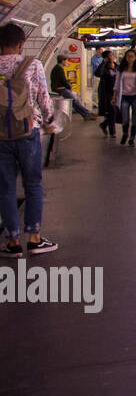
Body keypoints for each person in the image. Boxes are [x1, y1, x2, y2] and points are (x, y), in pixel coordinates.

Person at [0, 22, 58, 257]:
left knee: (5, 189)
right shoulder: (32, 65)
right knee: (32, 185)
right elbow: (43, 98)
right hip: (28, 130)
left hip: (1, 135)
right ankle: (34, 238)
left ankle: (12, 243)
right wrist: (49, 121)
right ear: (21, 44)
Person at [113, 48, 136, 146]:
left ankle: (132, 138)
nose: (130, 58)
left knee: (135, 119)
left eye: (132, 56)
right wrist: (114, 97)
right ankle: (125, 134)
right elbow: (116, 84)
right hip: (124, 96)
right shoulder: (121, 69)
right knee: (125, 119)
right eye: (128, 56)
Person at [49, 54, 95, 120]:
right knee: (75, 101)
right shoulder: (59, 68)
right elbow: (63, 80)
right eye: (66, 61)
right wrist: (69, 86)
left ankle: (86, 114)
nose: (66, 62)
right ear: (62, 61)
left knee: (75, 102)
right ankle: (87, 114)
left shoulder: (56, 68)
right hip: (61, 89)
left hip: (58, 88)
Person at [95, 50, 118, 136]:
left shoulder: (116, 66)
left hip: (115, 92)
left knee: (115, 111)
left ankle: (104, 124)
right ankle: (112, 132)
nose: (111, 57)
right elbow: (97, 74)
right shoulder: (104, 68)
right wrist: (103, 63)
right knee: (112, 111)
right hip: (106, 92)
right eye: (108, 56)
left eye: (111, 55)